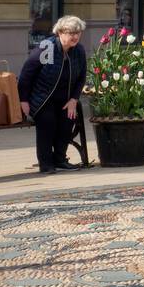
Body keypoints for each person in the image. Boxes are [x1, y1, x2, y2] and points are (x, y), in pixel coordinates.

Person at [18, 15, 87, 174]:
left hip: (65, 99)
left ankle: (60, 159)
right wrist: (24, 100)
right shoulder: (46, 47)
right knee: (47, 123)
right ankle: (46, 163)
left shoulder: (79, 51)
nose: (75, 36)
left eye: (78, 32)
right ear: (60, 32)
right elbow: (26, 75)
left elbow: (81, 78)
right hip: (42, 98)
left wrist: (74, 100)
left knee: (67, 121)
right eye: (71, 33)